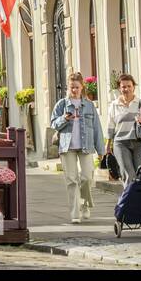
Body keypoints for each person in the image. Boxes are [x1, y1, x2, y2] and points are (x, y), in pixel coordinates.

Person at [50, 72, 104, 224]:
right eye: (71, 87)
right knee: (71, 180)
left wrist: (101, 151)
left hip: (86, 146)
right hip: (67, 147)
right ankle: (75, 213)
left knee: (87, 177)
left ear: (82, 88)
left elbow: (97, 128)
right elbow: (53, 124)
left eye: (77, 87)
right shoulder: (61, 104)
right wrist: (64, 119)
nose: (74, 90)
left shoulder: (89, 105)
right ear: (68, 87)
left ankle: (85, 204)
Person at [106, 73, 141, 188]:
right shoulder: (114, 105)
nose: (126, 89)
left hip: (139, 142)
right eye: (123, 87)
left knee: (140, 173)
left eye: (129, 86)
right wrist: (108, 145)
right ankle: (130, 202)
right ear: (119, 88)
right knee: (129, 174)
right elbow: (110, 125)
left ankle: (139, 202)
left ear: (134, 87)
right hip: (120, 143)